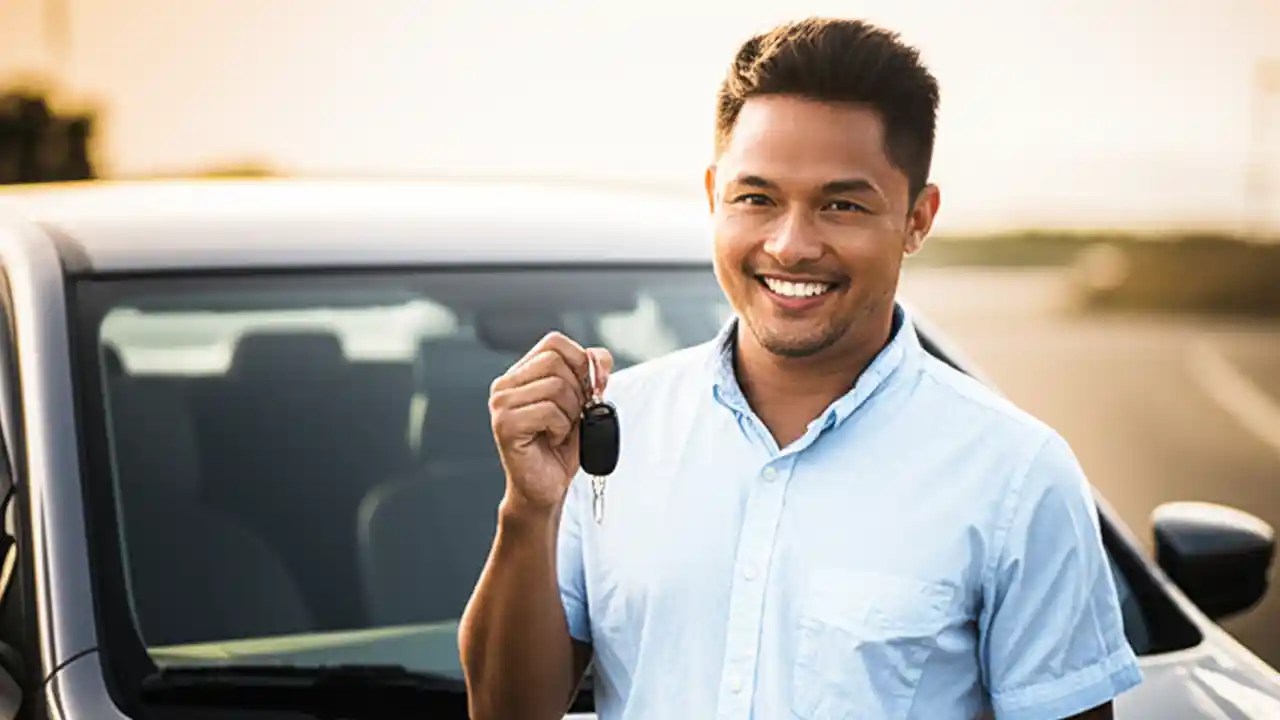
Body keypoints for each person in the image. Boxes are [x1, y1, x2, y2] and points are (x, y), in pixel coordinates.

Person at [458, 16, 1143, 720]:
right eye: (756, 198)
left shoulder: (1016, 474)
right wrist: (529, 510)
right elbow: (507, 712)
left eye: (841, 205)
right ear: (713, 196)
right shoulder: (611, 434)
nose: (790, 246)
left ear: (918, 218)